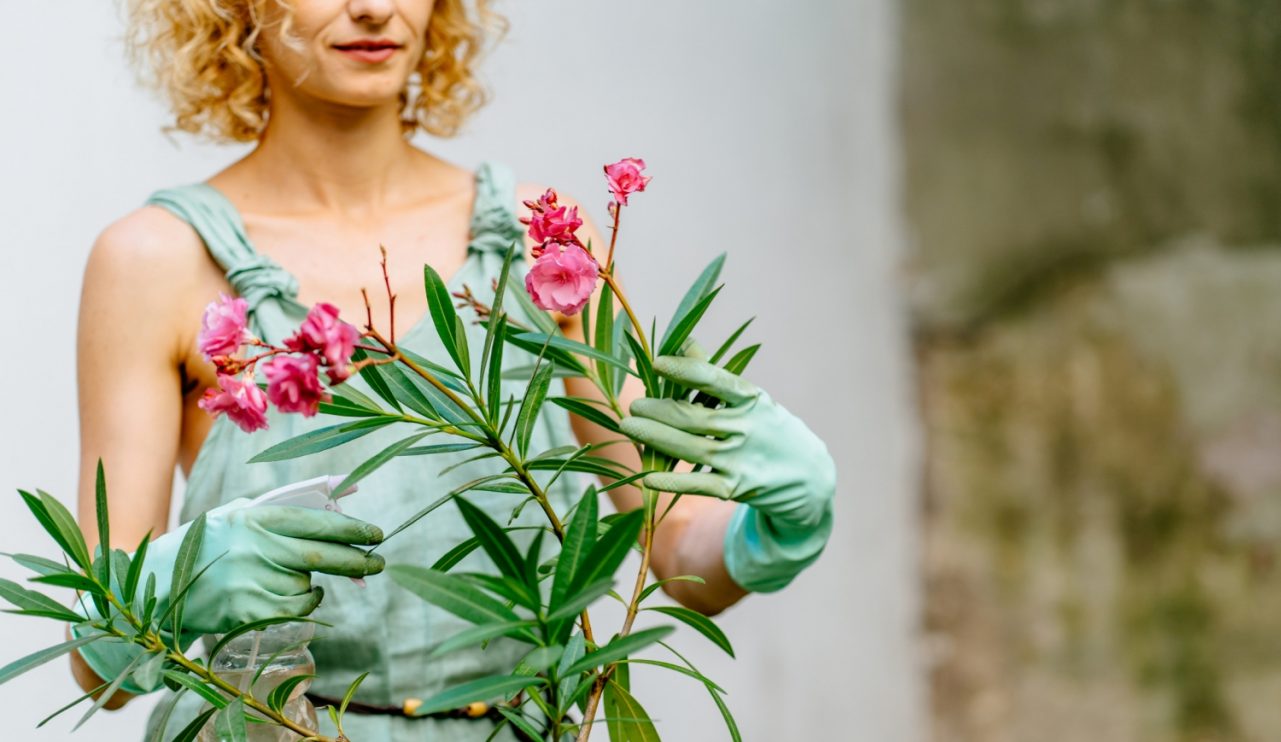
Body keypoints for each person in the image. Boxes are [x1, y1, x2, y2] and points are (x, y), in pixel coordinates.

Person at [70, 1, 836, 739]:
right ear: (234, 6)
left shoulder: (544, 239)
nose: (374, 7)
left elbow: (673, 549)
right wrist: (177, 584)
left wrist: (772, 530)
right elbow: (93, 659)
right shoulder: (155, 261)